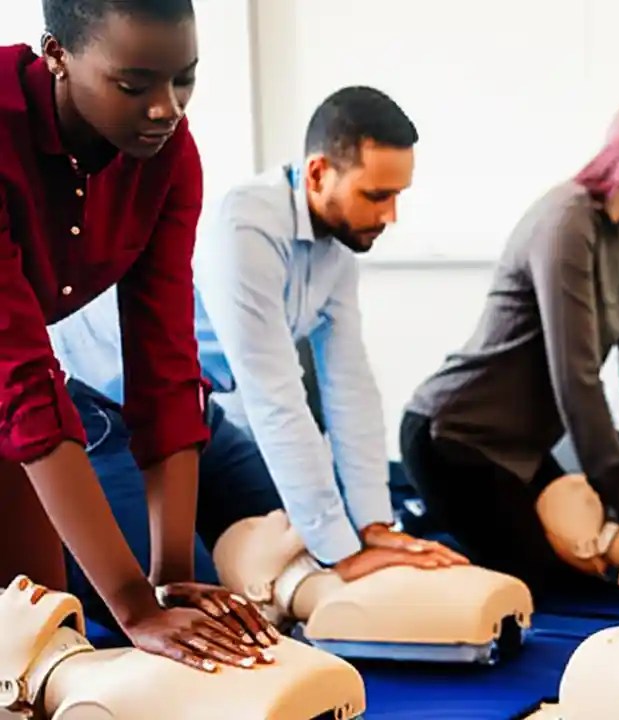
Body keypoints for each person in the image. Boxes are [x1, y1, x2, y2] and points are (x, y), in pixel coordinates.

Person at [48, 86, 467, 606]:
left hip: (186, 408)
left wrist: (373, 525)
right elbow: (275, 396)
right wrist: (344, 552)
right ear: (318, 174)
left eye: (397, 195)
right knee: (183, 597)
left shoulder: (336, 247)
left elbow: (350, 386)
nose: (390, 215)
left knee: (295, 544)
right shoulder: (245, 225)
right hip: (97, 409)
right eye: (377, 196)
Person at [0, 0, 274, 672]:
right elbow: (24, 375)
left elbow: (165, 360)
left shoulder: (168, 157)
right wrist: (131, 605)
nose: (166, 108)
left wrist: (169, 578)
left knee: (38, 646)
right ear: (56, 54)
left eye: (184, 78)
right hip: (12, 378)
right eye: (135, 85)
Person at [399, 90, 619, 598]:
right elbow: (576, 377)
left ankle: (438, 518)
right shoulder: (566, 219)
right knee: (552, 591)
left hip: (522, 448)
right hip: (455, 439)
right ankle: (423, 521)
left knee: (591, 562)